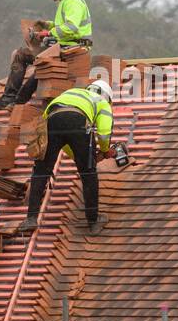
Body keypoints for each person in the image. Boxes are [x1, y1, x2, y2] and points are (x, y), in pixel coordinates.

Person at [18, 79, 114, 236]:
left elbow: (62, 139)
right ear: (107, 97)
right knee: (88, 174)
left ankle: (31, 218)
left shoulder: (69, 94)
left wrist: (79, 156)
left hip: (52, 120)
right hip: (78, 121)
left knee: (41, 170)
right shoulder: (102, 103)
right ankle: (93, 222)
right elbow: (104, 133)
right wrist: (104, 150)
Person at [0, 0, 93, 108]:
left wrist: (47, 33)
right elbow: (65, 26)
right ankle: (15, 102)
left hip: (73, 52)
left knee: (24, 57)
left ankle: (11, 100)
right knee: (40, 68)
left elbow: (71, 27)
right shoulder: (65, 1)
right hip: (67, 48)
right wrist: (47, 25)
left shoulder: (72, 1)